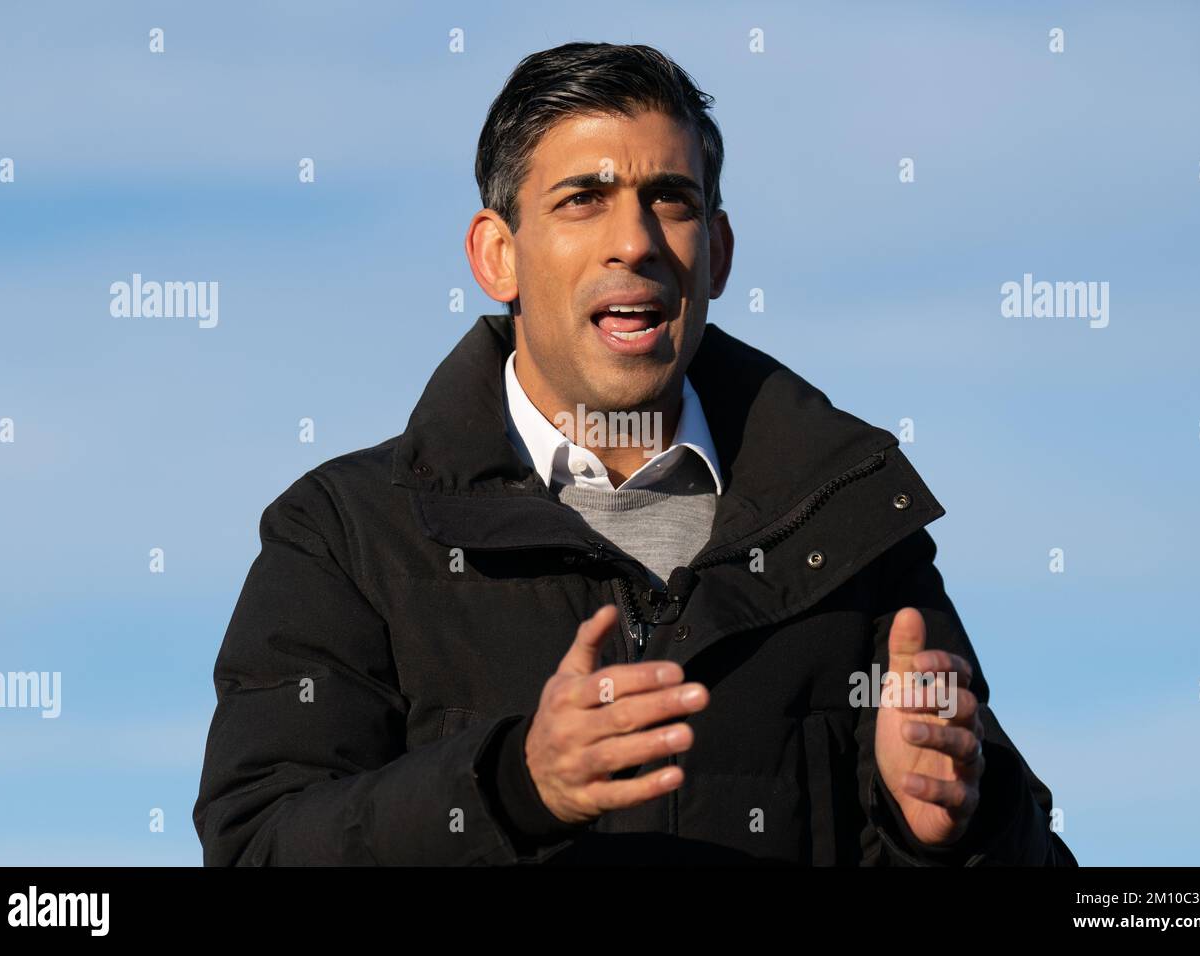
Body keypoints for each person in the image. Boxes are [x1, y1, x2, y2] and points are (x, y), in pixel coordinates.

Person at [192, 41, 1076, 866]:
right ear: (497, 256)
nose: (637, 241)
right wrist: (512, 785)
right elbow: (257, 846)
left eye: (672, 200)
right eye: (583, 199)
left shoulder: (850, 524)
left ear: (719, 253)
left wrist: (954, 827)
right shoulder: (349, 534)